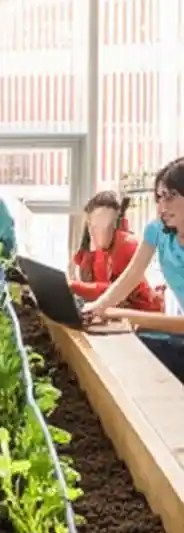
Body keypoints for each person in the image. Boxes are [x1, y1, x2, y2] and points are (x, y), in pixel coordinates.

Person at [85, 158, 184, 379]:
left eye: (171, 196)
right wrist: (97, 307)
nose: (162, 206)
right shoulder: (157, 230)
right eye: (159, 197)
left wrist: (122, 314)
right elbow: (131, 276)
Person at [70, 191, 161, 312]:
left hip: (142, 313)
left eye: (109, 226)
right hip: (110, 312)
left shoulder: (127, 244)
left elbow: (116, 290)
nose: (103, 233)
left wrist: (73, 286)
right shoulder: (89, 250)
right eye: (96, 227)